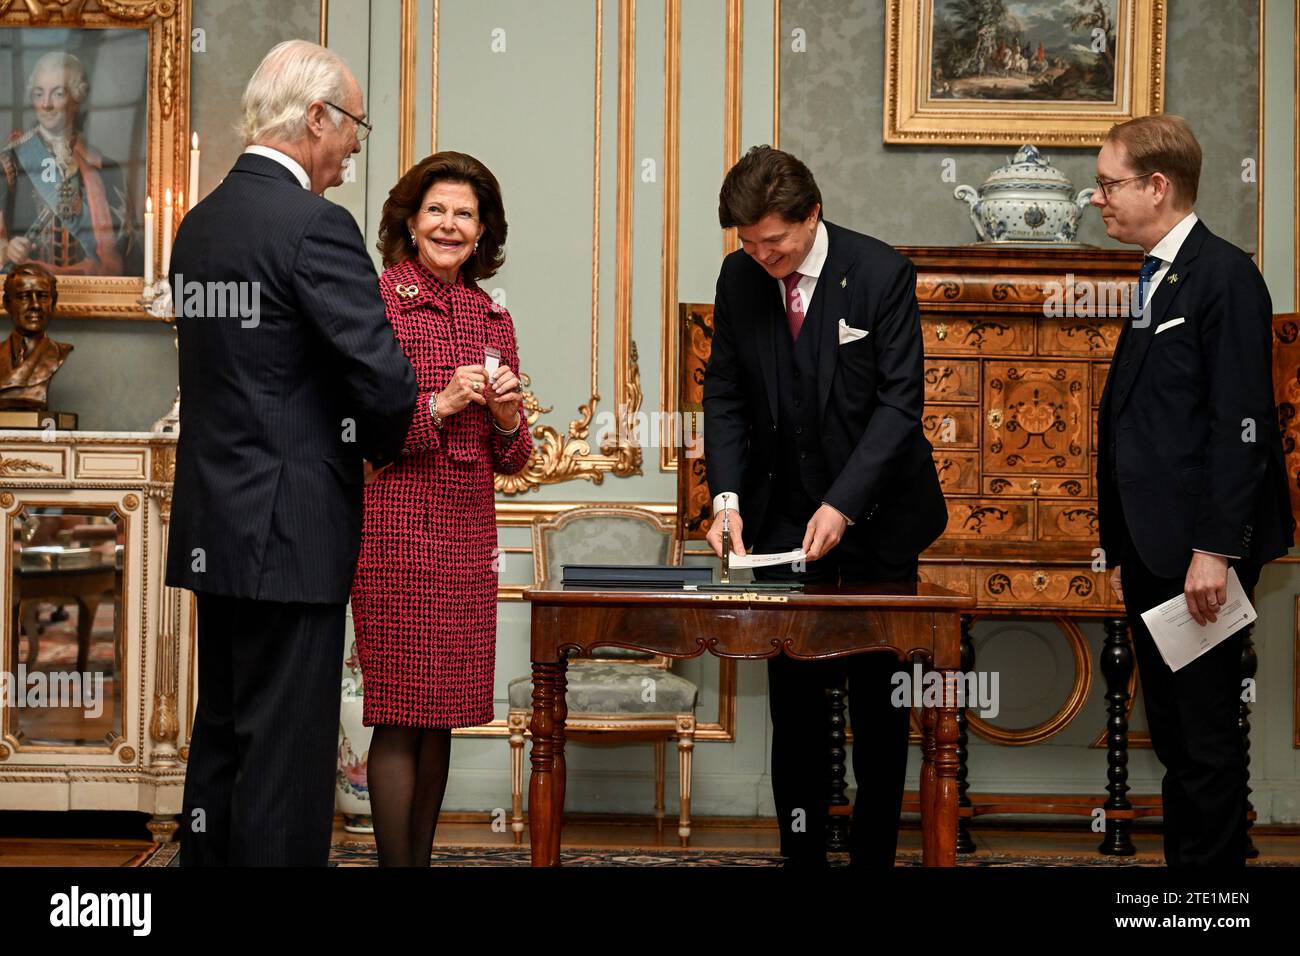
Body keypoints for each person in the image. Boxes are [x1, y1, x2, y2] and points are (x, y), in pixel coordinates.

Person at [166, 40, 417, 866]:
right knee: (287, 757)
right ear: (315, 118)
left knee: (226, 735)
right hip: (295, 528)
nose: (354, 144)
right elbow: (384, 380)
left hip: (216, 524)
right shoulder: (316, 224)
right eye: (352, 126)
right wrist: (377, 451)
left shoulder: (198, 226)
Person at [703, 145, 948, 867]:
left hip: (878, 525)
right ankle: (802, 857)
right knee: (798, 711)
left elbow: (900, 405)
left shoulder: (879, 274)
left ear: (812, 216)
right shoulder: (741, 276)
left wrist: (843, 503)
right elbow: (724, 393)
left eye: (773, 240)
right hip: (781, 526)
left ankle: (872, 858)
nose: (761, 254)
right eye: (747, 243)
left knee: (880, 710)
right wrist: (726, 499)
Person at [1093, 115, 1293, 867]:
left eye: (1110, 184)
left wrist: (1214, 550)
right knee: (1177, 740)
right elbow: (1140, 421)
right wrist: (1119, 548)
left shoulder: (1226, 277)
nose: (1098, 199)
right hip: (1153, 555)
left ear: (1157, 186)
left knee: (1204, 744)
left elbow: (1241, 424)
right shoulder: (1157, 274)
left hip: (1200, 560)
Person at [350, 151, 533, 866]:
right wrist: (440, 404)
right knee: (399, 714)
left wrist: (511, 421)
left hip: (467, 535)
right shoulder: (377, 303)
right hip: (395, 527)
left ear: (483, 231)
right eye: (437, 211)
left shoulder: (493, 315)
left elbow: (513, 460)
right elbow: (359, 436)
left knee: (444, 718)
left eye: (465, 214)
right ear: (410, 220)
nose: (450, 225)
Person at [0, 51, 135, 276]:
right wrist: (6, 251)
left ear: (76, 98)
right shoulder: (10, 161)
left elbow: (126, 249)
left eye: (58, 94)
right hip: (30, 290)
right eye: (38, 94)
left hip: (92, 293)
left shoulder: (106, 168)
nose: (46, 104)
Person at [0, 263, 71, 410]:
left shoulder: (60, 353)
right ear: (7, 304)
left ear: (53, 303)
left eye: (42, 296)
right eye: (24, 296)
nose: (35, 305)